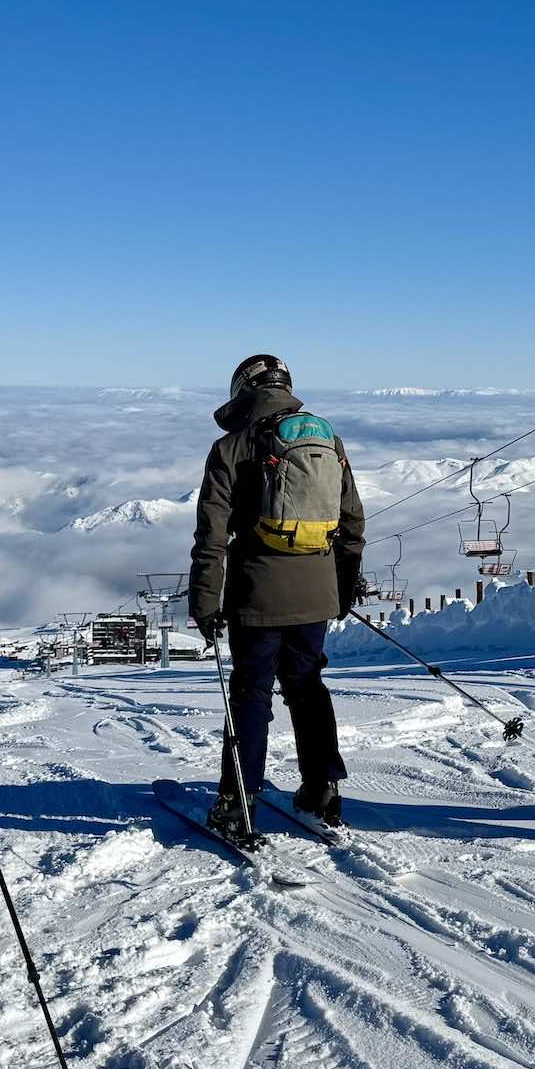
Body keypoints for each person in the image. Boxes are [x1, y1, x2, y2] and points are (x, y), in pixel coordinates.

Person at [188, 355, 366, 838]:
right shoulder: (327, 440)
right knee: (308, 688)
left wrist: (204, 602)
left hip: (256, 593)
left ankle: (238, 802)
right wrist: (341, 590)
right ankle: (323, 791)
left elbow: (211, 536)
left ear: (241, 391)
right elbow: (352, 522)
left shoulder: (231, 448)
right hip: (316, 593)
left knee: (252, 693)